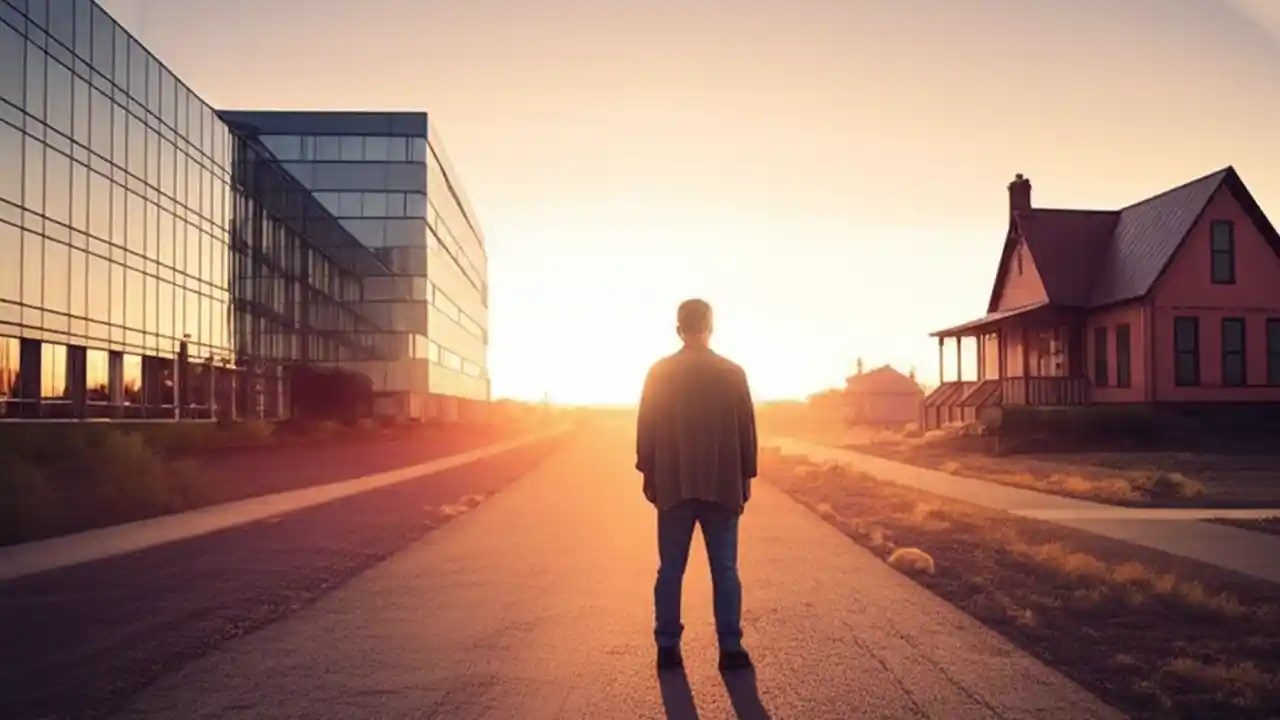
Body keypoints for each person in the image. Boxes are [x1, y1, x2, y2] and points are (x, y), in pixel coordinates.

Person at [636, 298, 758, 672]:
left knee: (670, 568)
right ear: (711, 326)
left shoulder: (660, 372)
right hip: (722, 485)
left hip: (673, 486)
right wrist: (746, 476)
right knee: (725, 569)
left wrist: (649, 473)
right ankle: (730, 648)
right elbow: (746, 431)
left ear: (678, 329)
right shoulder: (732, 373)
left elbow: (646, 427)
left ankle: (668, 647)